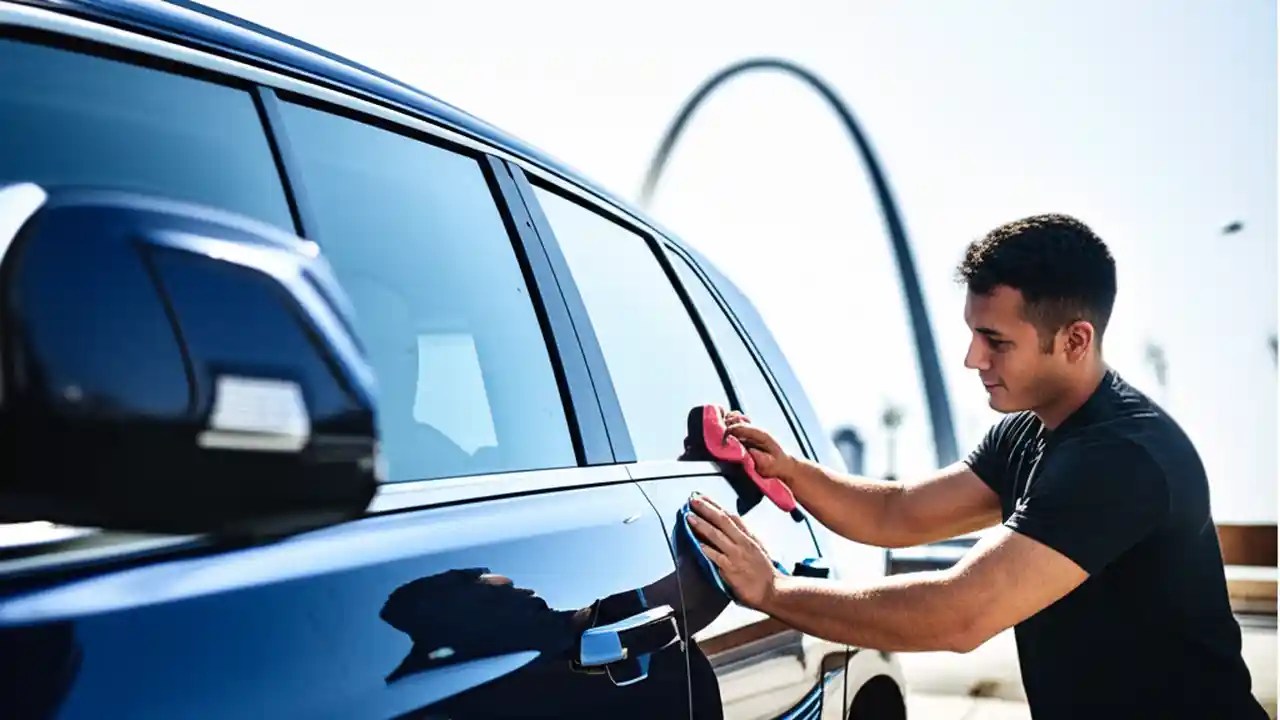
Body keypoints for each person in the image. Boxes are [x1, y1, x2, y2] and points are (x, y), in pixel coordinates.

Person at [688, 214, 1266, 718]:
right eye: (972, 334)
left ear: (1074, 340)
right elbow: (897, 512)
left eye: (995, 340)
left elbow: (959, 614)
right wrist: (790, 470)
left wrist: (773, 593)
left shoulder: (1122, 458)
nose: (972, 358)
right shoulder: (1029, 430)